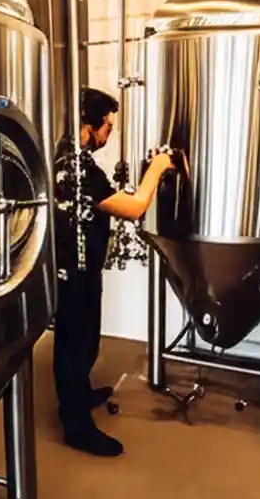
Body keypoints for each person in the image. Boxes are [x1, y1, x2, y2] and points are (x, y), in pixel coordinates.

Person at [52, 87, 172, 457]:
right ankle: (76, 427)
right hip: (74, 269)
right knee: (75, 344)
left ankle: (79, 395)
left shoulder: (66, 156)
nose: (108, 134)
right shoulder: (77, 168)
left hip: (79, 265)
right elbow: (134, 208)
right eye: (107, 127)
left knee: (82, 338)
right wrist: (157, 169)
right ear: (89, 125)